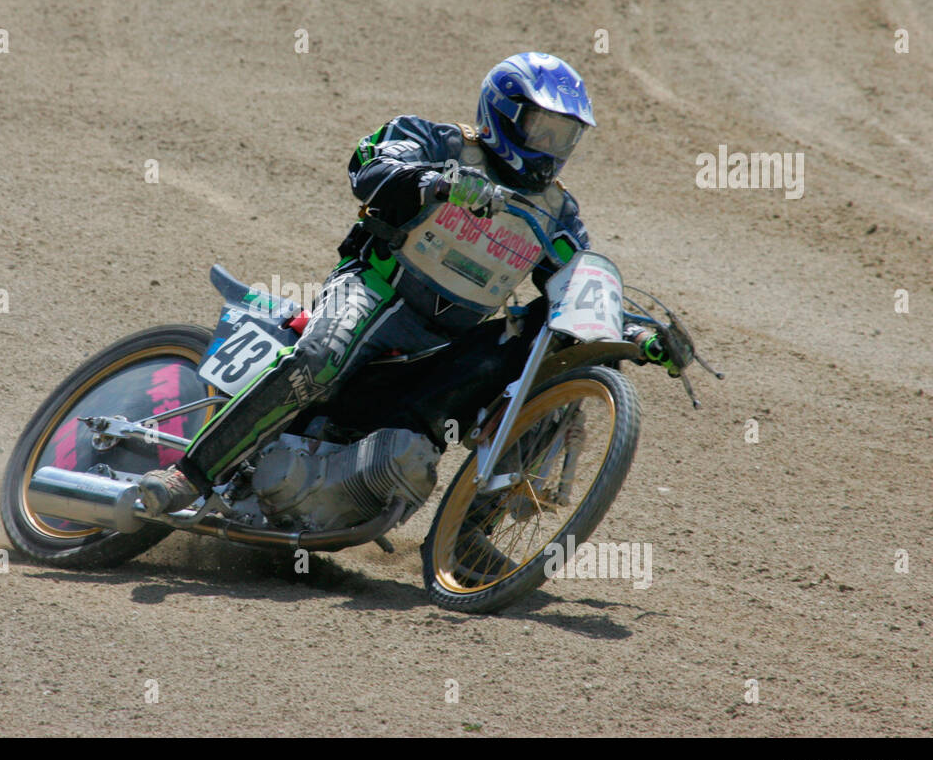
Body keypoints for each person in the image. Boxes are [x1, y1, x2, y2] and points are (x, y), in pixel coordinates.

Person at [138, 51, 672, 515]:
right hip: (375, 288)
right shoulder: (438, 141)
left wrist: (638, 334)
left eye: (566, 137)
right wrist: (437, 183)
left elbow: (578, 290)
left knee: (552, 361)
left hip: (447, 342)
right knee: (320, 359)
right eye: (544, 130)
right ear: (505, 115)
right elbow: (367, 166)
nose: (554, 148)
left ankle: (473, 538)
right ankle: (192, 473)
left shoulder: (557, 214)